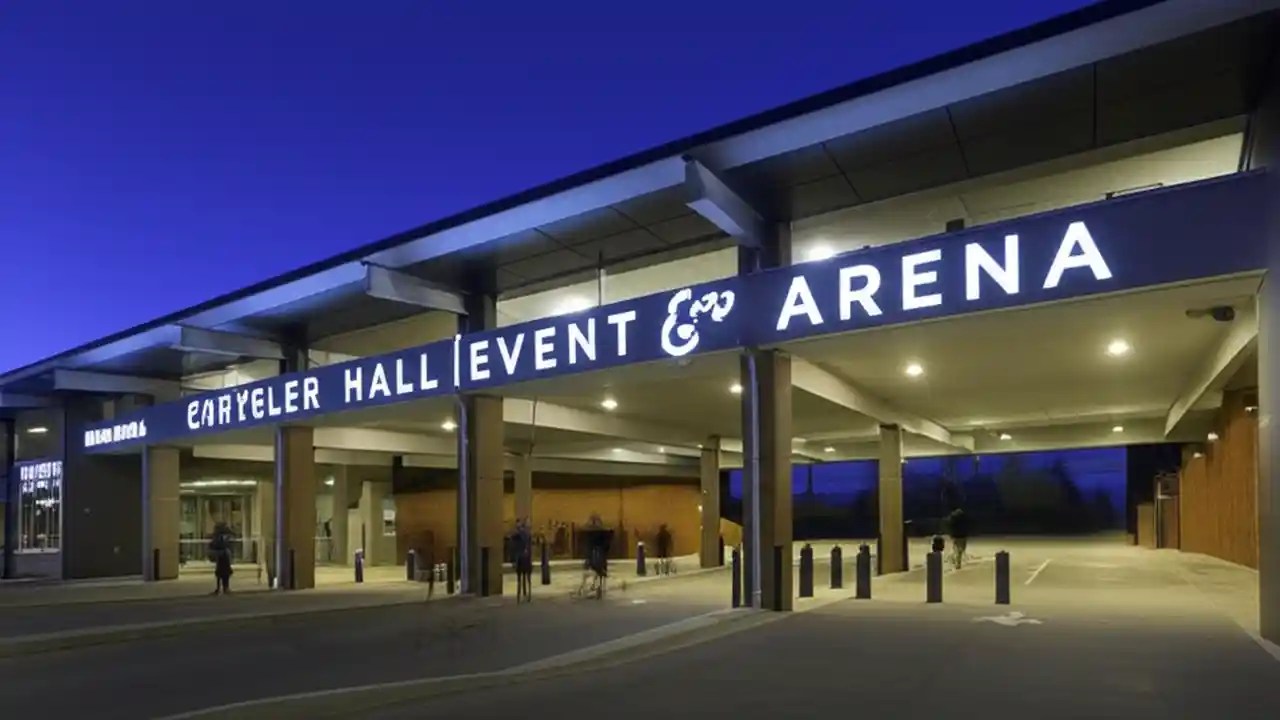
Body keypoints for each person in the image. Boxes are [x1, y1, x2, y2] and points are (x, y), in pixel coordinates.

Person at [513, 519, 533, 603]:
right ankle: (527, 595)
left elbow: (514, 549)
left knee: (520, 579)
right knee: (526, 578)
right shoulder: (527, 535)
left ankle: (521, 595)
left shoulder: (517, 536)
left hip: (521, 559)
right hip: (525, 558)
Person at [210, 526, 233, 595]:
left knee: (224, 573)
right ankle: (221, 588)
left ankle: (224, 587)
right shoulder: (219, 539)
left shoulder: (223, 539)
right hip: (222, 557)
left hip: (224, 558)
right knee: (221, 573)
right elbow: (214, 546)